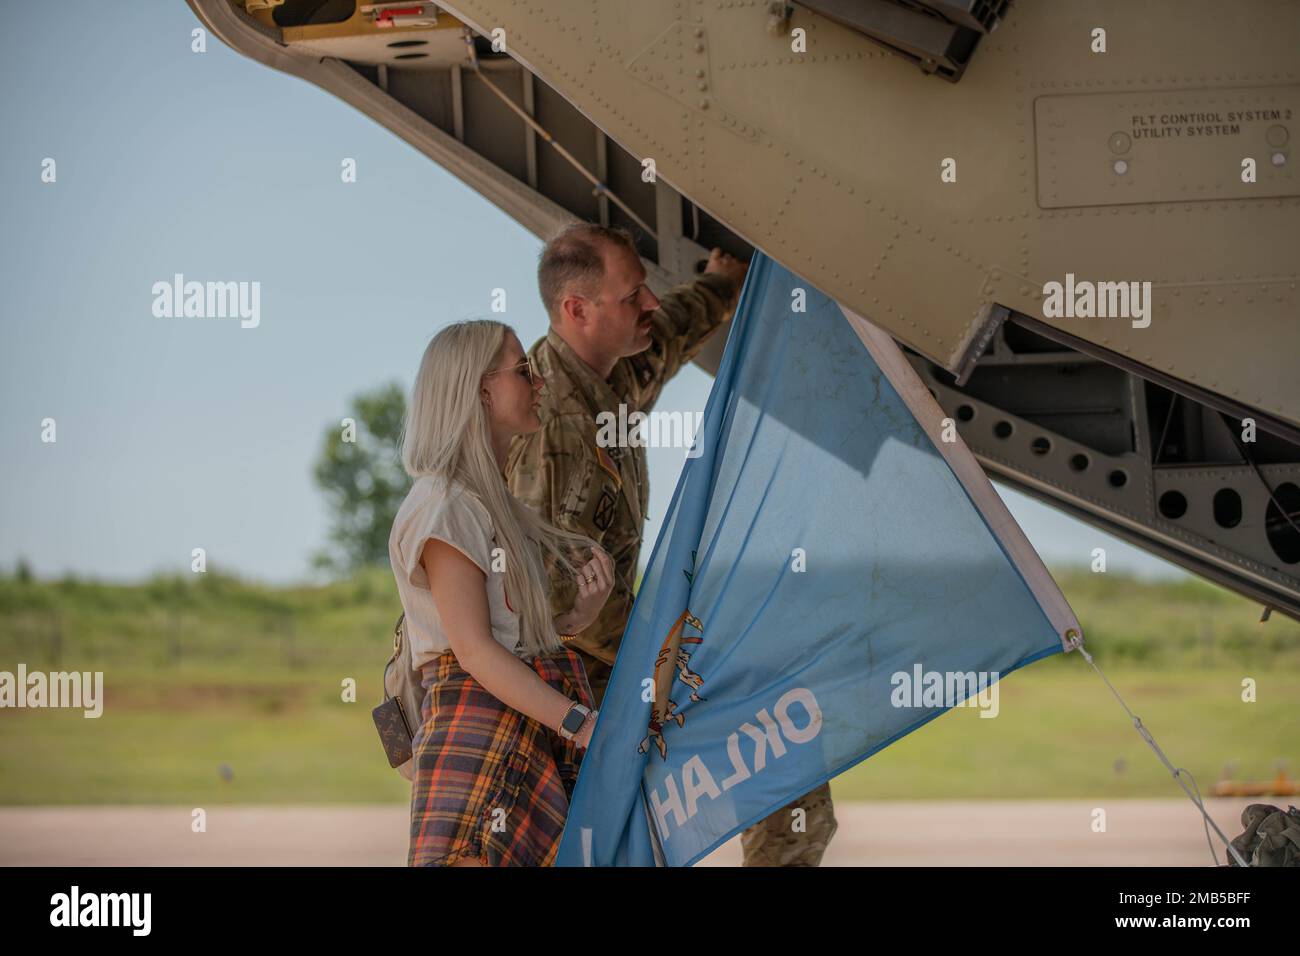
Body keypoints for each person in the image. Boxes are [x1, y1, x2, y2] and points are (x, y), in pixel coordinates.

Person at [505, 222, 837, 866]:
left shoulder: (609, 379)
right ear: (577, 310)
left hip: (621, 660)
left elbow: (673, 329)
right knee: (777, 739)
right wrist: (678, 650)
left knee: (780, 753)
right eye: (632, 297)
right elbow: (553, 592)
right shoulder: (560, 428)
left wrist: (721, 282)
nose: (649, 303)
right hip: (579, 673)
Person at [389, 319, 615, 867]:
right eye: (523, 371)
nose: (539, 382)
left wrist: (571, 621)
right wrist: (581, 724)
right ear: (481, 390)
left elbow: (500, 640)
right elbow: (472, 651)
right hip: (484, 734)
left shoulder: (483, 503)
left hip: (509, 732)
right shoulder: (446, 504)